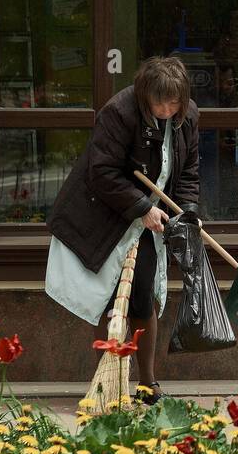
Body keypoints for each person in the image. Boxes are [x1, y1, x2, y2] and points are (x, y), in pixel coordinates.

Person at [44, 56, 202, 405]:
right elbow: (101, 172)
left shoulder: (187, 116)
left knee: (143, 295)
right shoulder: (119, 112)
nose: (165, 109)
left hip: (149, 220)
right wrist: (142, 207)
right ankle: (110, 384)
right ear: (145, 95)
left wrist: (187, 212)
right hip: (103, 215)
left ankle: (147, 382)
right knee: (109, 298)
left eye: (173, 102)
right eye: (158, 102)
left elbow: (188, 171)